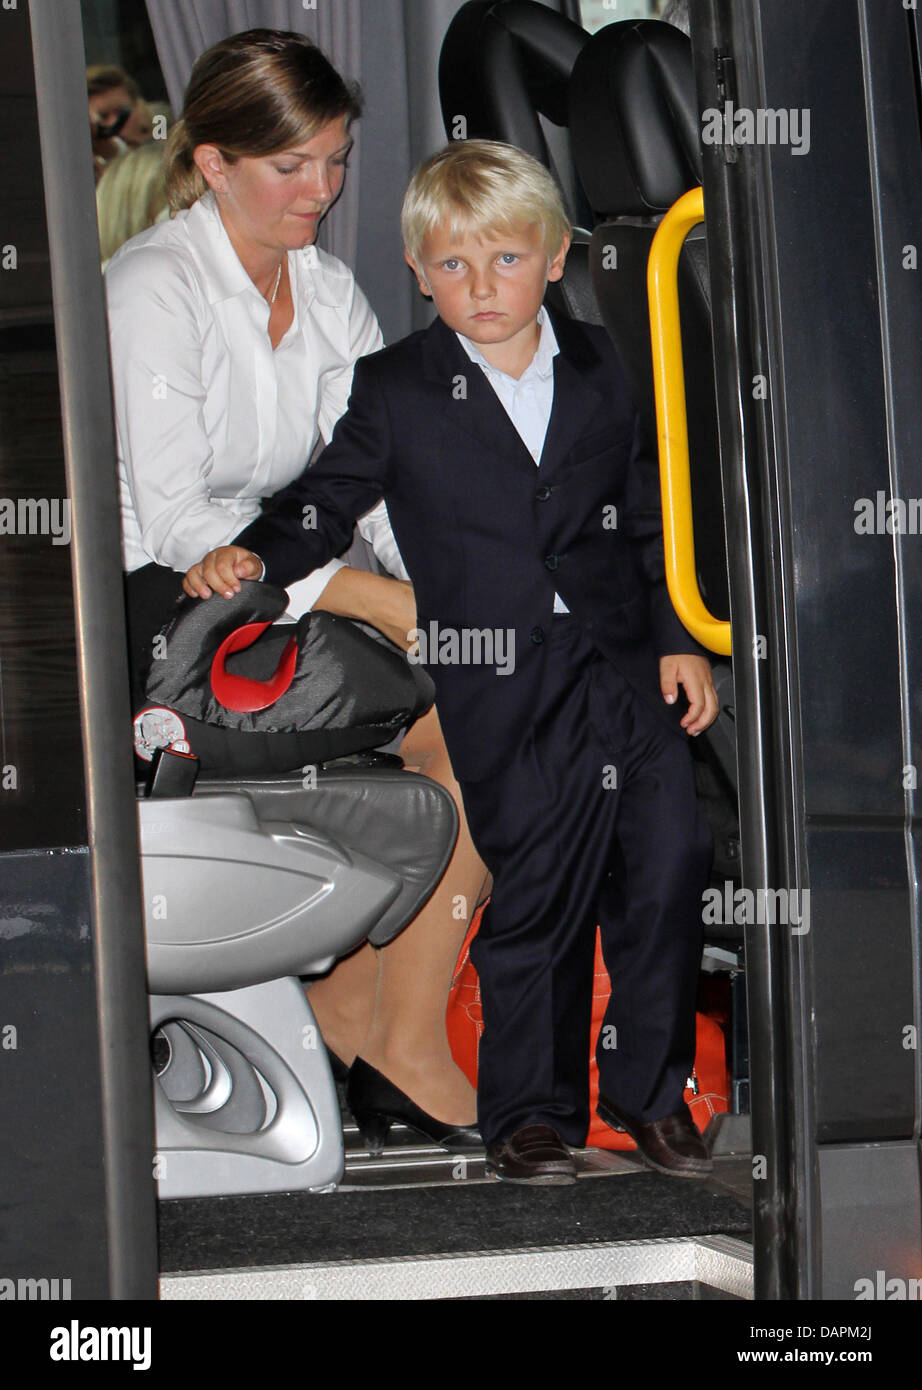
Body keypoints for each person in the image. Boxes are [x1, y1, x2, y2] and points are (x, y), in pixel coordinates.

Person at [185, 139, 720, 1185]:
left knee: (668, 866)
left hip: (618, 663)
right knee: (541, 889)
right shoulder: (399, 388)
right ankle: (530, 1112)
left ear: (555, 259)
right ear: (419, 272)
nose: (482, 286)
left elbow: (650, 518)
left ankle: (648, 1093)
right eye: (453, 265)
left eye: (507, 260)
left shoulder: (607, 365)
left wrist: (676, 640)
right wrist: (254, 555)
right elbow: (325, 501)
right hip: (503, 681)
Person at [105, 30, 486, 1146]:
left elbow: (377, 485)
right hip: (159, 607)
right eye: (291, 165)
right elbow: (180, 524)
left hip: (271, 586)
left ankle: (366, 1024)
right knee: (473, 704)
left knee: (506, 701)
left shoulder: (324, 290)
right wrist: (375, 601)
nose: (322, 189)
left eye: (335, 159)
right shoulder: (152, 286)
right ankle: (392, 1044)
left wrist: (447, 585)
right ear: (213, 163)